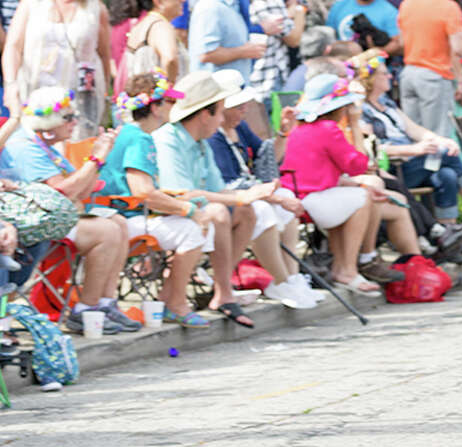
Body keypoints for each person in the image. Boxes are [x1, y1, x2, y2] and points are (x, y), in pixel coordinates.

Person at [156, 70, 313, 313]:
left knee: (245, 211)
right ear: (205, 114)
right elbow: (180, 194)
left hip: (193, 210)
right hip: (162, 213)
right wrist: (243, 196)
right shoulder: (169, 140)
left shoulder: (200, 142)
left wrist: (248, 197)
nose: (222, 120)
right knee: (224, 210)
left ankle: (223, 290)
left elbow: (218, 188)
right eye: (220, 111)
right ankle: (192, 294)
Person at [4, 87, 139, 333]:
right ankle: (84, 310)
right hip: (37, 224)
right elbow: (63, 193)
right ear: (47, 123)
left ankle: (105, 303)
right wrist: (95, 159)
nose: (74, 122)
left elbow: (82, 191)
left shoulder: (48, 147)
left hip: (56, 216)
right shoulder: (26, 147)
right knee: (106, 231)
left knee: (119, 222)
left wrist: (101, 157)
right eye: (67, 117)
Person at [95, 71, 216, 327]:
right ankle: (175, 303)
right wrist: (187, 209)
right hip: (121, 220)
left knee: (193, 223)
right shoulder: (140, 138)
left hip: (113, 216)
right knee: (191, 230)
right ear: (156, 108)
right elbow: (143, 192)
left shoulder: (128, 132)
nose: (175, 107)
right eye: (170, 102)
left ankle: (170, 300)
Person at [280, 71, 412, 291]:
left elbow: (320, 173)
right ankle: (350, 268)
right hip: (311, 201)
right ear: (339, 108)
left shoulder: (300, 128)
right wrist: (354, 124)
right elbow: (360, 164)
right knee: (363, 198)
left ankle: (349, 264)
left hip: (301, 196)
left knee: (361, 193)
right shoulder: (328, 129)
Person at [354, 50, 462, 235]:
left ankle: (447, 233)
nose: (389, 76)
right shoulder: (361, 111)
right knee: (445, 156)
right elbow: (372, 149)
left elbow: (415, 130)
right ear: (371, 79)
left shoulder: (387, 104)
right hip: (395, 167)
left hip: (414, 163)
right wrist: (414, 150)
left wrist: (441, 140)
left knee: (447, 175)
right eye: (384, 73)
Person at [2, 0, 113, 136]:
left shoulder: (95, 9)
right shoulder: (32, 4)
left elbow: (104, 54)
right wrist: (11, 85)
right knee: (36, 151)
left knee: (76, 156)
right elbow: (12, 47)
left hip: (78, 101)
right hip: (36, 95)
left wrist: (105, 96)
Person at [397, 0, 462, 138]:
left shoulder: (408, 3)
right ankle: (435, 167)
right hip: (434, 76)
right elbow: (458, 49)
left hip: (409, 73)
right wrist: (460, 81)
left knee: (413, 134)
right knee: (437, 137)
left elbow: (402, 41)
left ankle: (415, 166)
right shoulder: (448, 7)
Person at [245, 0, 305, 101]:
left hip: (250, 78)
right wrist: (300, 6)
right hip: (268, 81)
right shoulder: (269, 2)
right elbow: (293, 39)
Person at [119, 0, 187, 88]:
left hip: (144, 102)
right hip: (161, 104)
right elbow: (170, 58)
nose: (183, 0)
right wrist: (169, 91)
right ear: (159, 1)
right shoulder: (160, 26)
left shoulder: (141, 26)